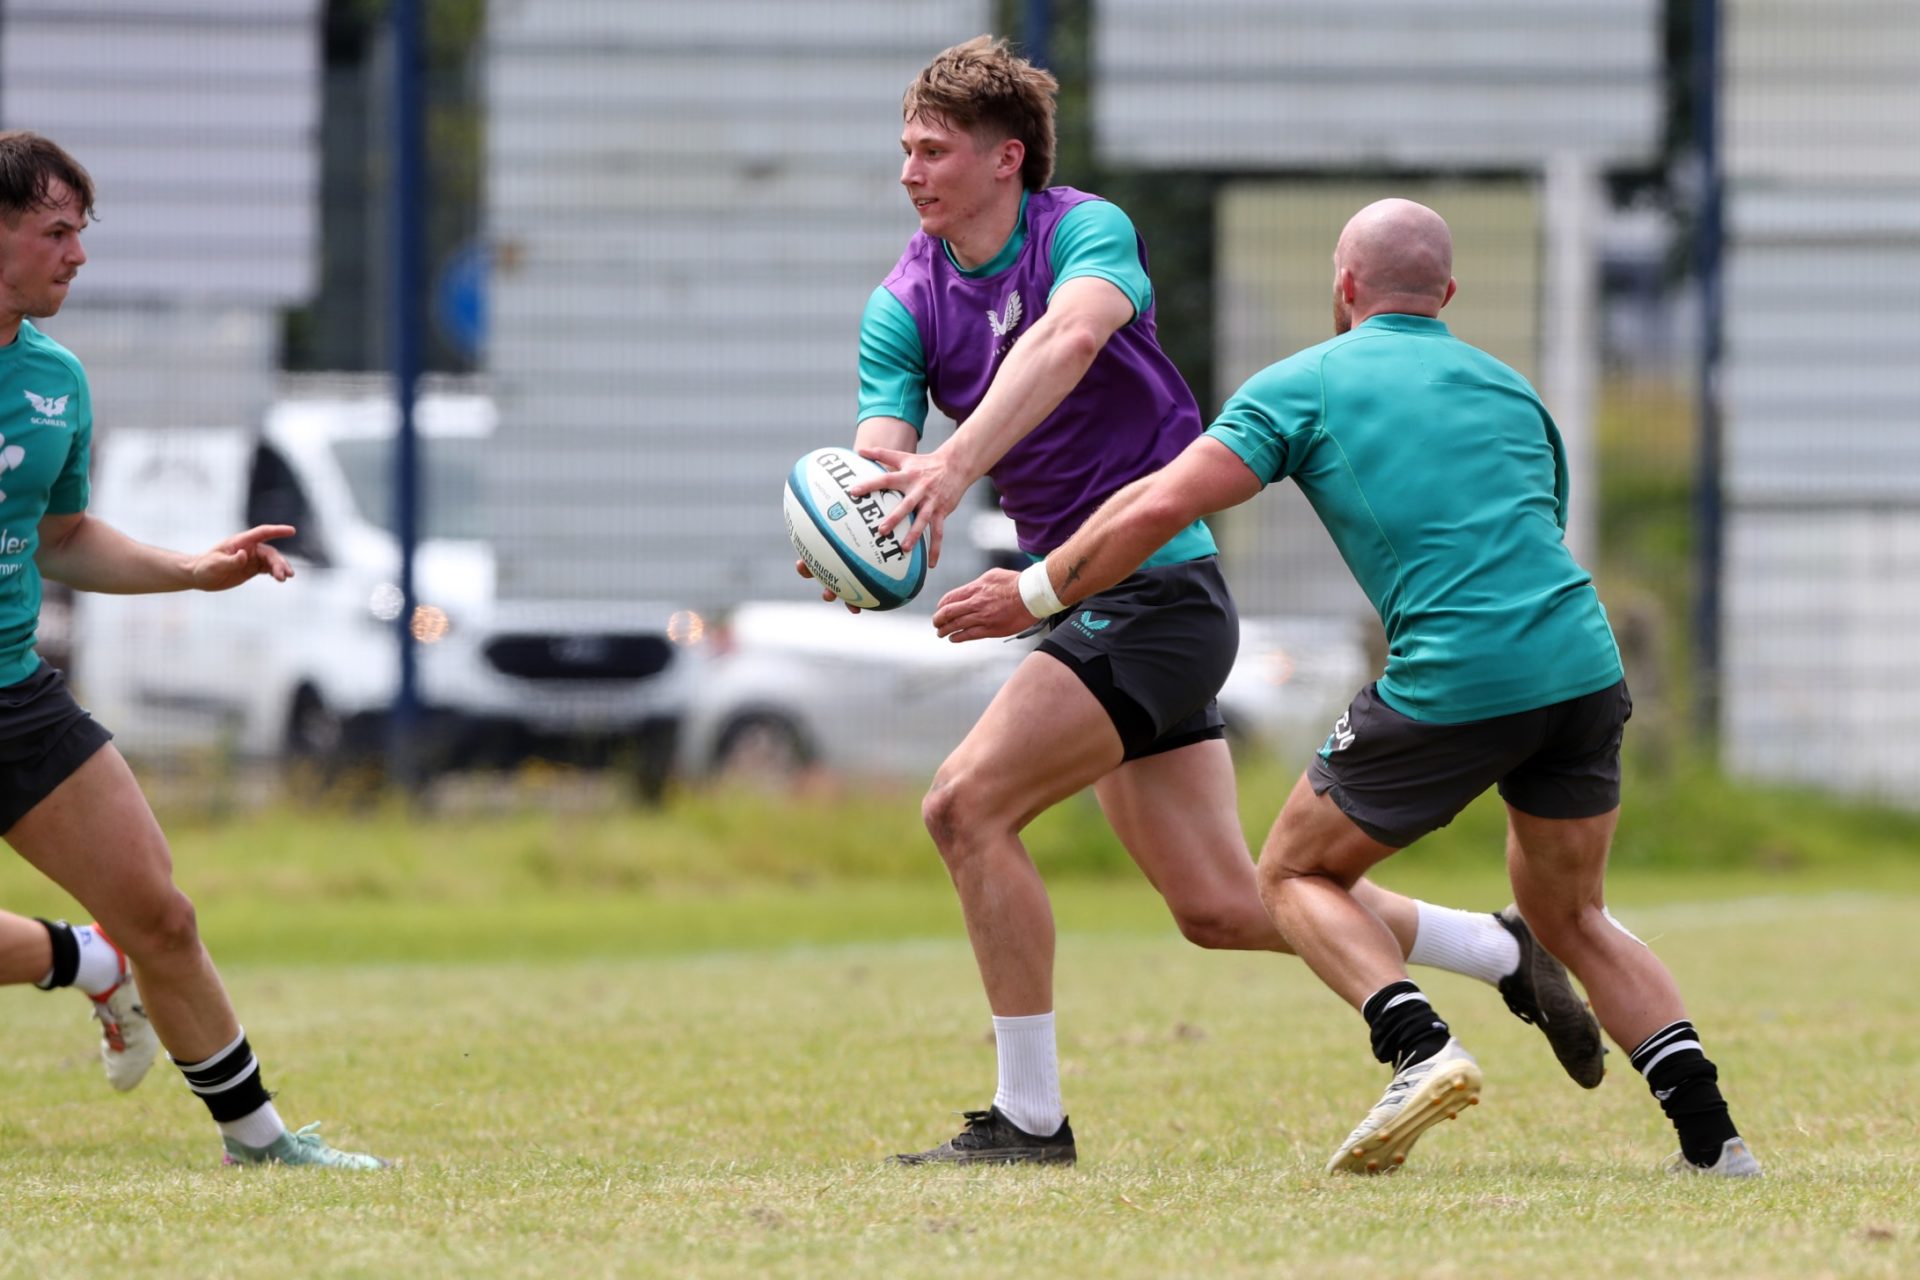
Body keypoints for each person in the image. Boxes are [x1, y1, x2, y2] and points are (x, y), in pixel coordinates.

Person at [815, 39, 1606, 1167]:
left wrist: (956, 463)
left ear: (1009, 159)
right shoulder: (904, 299)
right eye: (903, 149)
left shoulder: (1085, 233)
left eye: (932, 150)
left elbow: (1068, 338)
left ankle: (1030, 1118)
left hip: (1155, 595)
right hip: (1095, 607)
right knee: (1228, 905)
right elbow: (881, 461)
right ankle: (1500, 947)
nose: (910, 171)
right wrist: (866, 525)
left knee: (963, 808)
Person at [931, 196, 1760, 1178]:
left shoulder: (1305, 385)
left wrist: (1032, 588)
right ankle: (1715, 1144)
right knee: (1571, 911)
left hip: (1458, 670)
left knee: (1290, 875)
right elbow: (1537, 527)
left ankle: (1417, 1046)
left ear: (1343, 286)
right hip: (1582, 665)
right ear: (1446, 294)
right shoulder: (1511, 391)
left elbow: (1158, 502)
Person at [0, 130, 387, 1169]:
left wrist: (194, 567)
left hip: (16, 700)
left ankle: (260, 1142)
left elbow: (64, 537)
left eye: (81, 233)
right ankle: (83, 959)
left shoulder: (56, 384)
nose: (78, 256)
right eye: (56, 232)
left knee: (162, 914)